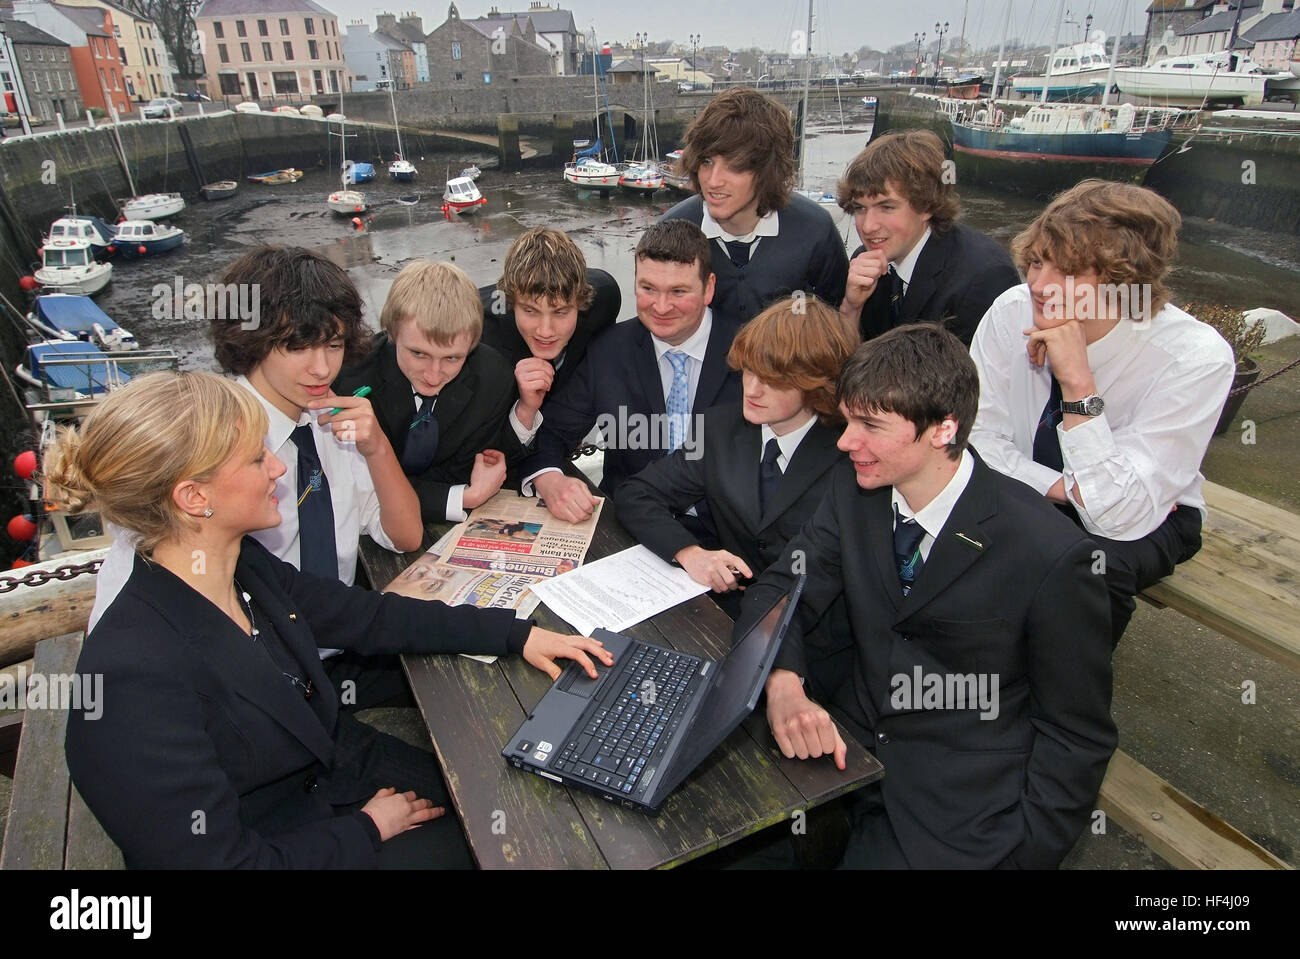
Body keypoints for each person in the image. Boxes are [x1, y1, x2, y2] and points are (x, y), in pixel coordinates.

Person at [54, 371, 612, 868]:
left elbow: (367, 617)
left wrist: (517, 633)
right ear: (193, 496)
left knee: (510, 802)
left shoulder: (241, 567)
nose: (277, 466)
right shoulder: (134, 677)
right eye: (255, 458)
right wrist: (367, 829)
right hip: (292, 837)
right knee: (525, 842)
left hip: (327, 774)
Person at [735, 324, 1116, 868]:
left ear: (943, 430)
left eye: (869, 426)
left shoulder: (1050, 554)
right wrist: (783, 683)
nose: (845, 442)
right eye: (848, 420)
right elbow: (780, 588)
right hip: (843, 753)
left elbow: (1075, 736)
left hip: (958, 813)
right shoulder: (853, 490)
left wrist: (1023, 853)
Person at [87, 245, 423, 695]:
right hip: (258, 678)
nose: (322, 367)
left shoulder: (331, 423)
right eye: (296, 346)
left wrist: (378, 447)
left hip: (340, 656)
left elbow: (404, 537)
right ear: (252, 341)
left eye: (334, 344)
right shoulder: (207, 439)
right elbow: (134, 575)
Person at [968, 179, 1235, 646]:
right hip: (1040, 485)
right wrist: (1061, 489)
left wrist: (1077, 384)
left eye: (1067, 271)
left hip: (1147, 512)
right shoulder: (1012, 311)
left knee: (1092, 567)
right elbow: (976, 437)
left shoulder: (1193, 358)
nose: (1037, 284)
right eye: (1035, 261)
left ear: (1124, 282)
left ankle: (1066, 707)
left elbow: (1118, 515)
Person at [616, 295, 857, 700]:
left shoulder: (852, 455)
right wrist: (690, 552)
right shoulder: (720, 428)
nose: (753, 388)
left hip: (818, 655)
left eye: (775, 380)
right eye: (749, 371)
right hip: (725, 625)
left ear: (818, 383)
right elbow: (637, 493)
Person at [519, 220, 743, 523]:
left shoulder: (752, 353)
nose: (661, 307)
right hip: (628, 524)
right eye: (648, 288)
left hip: (724, 532)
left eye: (678, 291)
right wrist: (550, 480)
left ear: (709, 288)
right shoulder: (608, 350)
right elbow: (553, 432)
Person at [334, 259, 518, 525]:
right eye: (419, 353)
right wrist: (463, 498)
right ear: (393, 332)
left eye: (452, 358)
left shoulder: (492, 378)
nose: (433, 375)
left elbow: (462, 471)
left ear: (472, 346)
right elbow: (357, 487)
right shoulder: (350, 379)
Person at [661, 86, 848, 332]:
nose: (713, 180)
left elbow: (835, 324)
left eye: (735, 165)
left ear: (767, 170)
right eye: (706, 161)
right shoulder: (673, 230)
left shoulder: (816, 231)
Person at [836, 130, 1020, 346]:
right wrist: (851, 308)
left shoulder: (983, 277)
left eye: (886, 207)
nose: (868, 227)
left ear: (926, 206)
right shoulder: (867, 262)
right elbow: (846, 365)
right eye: (860, 208)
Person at [478, 227, 622, 442]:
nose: (545, 331)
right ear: (511, 302)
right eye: (530, 311)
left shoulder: (605, 299)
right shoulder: (481, 336)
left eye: (561, 312)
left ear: (581, 304)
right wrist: (524, 409)